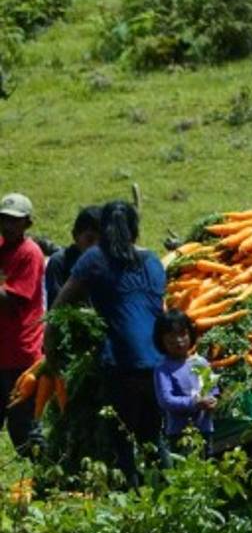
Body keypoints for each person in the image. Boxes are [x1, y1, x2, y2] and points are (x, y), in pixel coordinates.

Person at [47, 200, 166, 483]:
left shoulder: (94, 258)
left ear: (102, 231)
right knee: (153, 437)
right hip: (158, 361)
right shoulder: (154, 261)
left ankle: (132, 499)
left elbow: (59, 308)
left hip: (121, 362)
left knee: (121, 442)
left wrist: (51, 351)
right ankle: (165, 497)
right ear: (135, 230)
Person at [0, 193, 45, 457]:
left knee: (22, 426)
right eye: (4, 219)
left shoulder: (30, 253)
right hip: (2, 352)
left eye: (14, 221)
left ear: (27, 223)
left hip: (20, 353)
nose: (8, 225)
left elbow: (12, 300)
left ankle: (44, 477)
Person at [152, 310, 217, 461]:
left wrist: (213, 401)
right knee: (186, 470)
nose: (179, 340)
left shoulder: (201, 362)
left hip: (205, 428)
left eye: (182, 334)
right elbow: (166, 400)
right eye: (171, 336)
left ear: (191, 335)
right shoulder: (163, 369)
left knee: (207, 467)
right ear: (161, 340)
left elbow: (212, 389)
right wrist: (194, 403)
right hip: (179, 433)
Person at [44, 205, 101, 306]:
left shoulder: (107, 264)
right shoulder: (60, 262)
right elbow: (56, 311)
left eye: (101, 241)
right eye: (90, 240)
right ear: (75, 236)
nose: (95, 246)